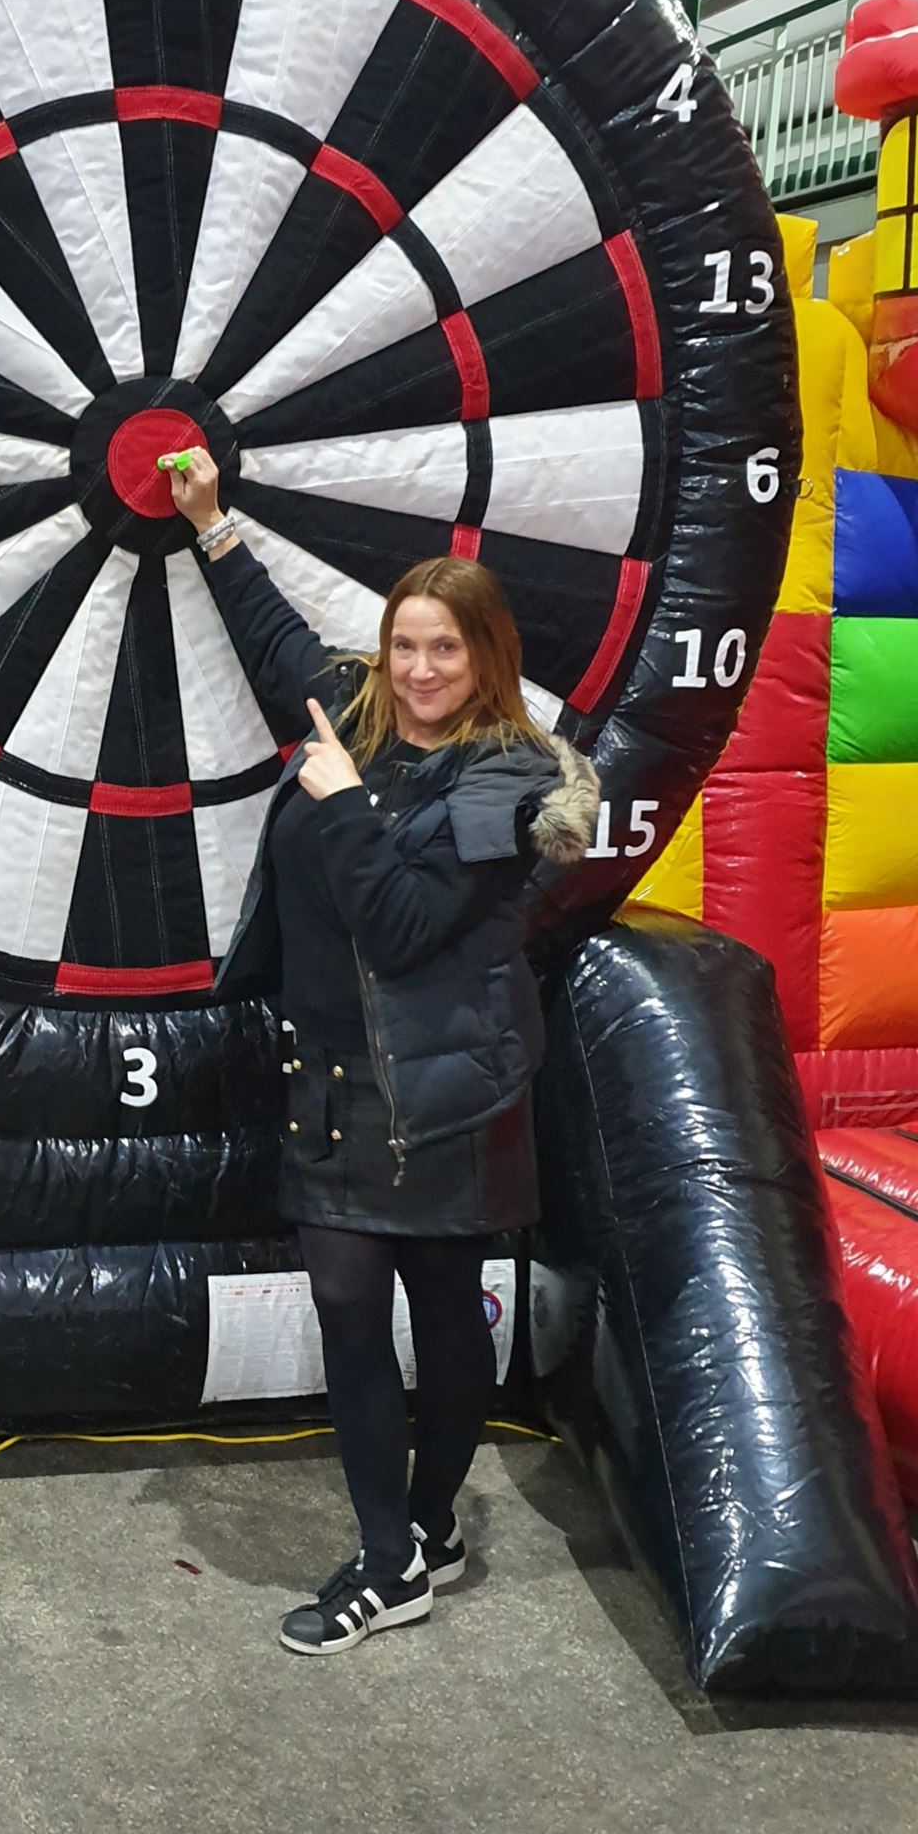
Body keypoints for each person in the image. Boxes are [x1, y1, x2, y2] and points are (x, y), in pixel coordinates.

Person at [166, 447, 599, 1657]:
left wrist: (347, 802)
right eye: (403, 645)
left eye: (443, 650)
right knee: (351, 1308)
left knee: (446, 1312)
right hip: (339, 1080)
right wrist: (211, 525)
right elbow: (279, 650)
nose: (416, 671)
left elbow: (405, 930)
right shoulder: (356, 714)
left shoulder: (509, 774)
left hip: (446, 1092)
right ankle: (401, 1549)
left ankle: (411, 1536)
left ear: (487, 658)